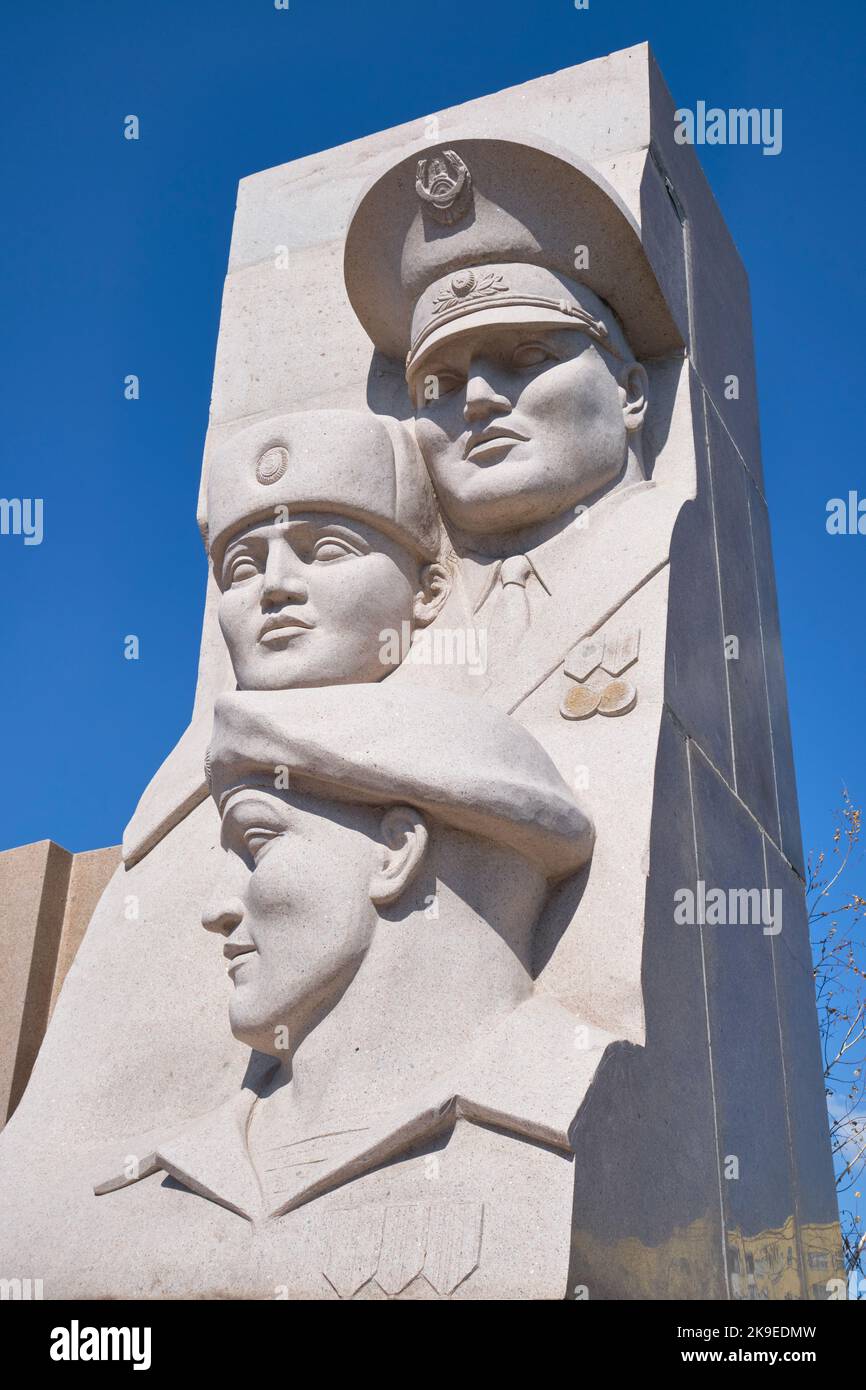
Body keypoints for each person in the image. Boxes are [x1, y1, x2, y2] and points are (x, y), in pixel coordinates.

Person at [92, 684, 609, 1299]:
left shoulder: (576, 1114)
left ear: (396, 854)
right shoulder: (179, 1167)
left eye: (258, 842)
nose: (216, 910)